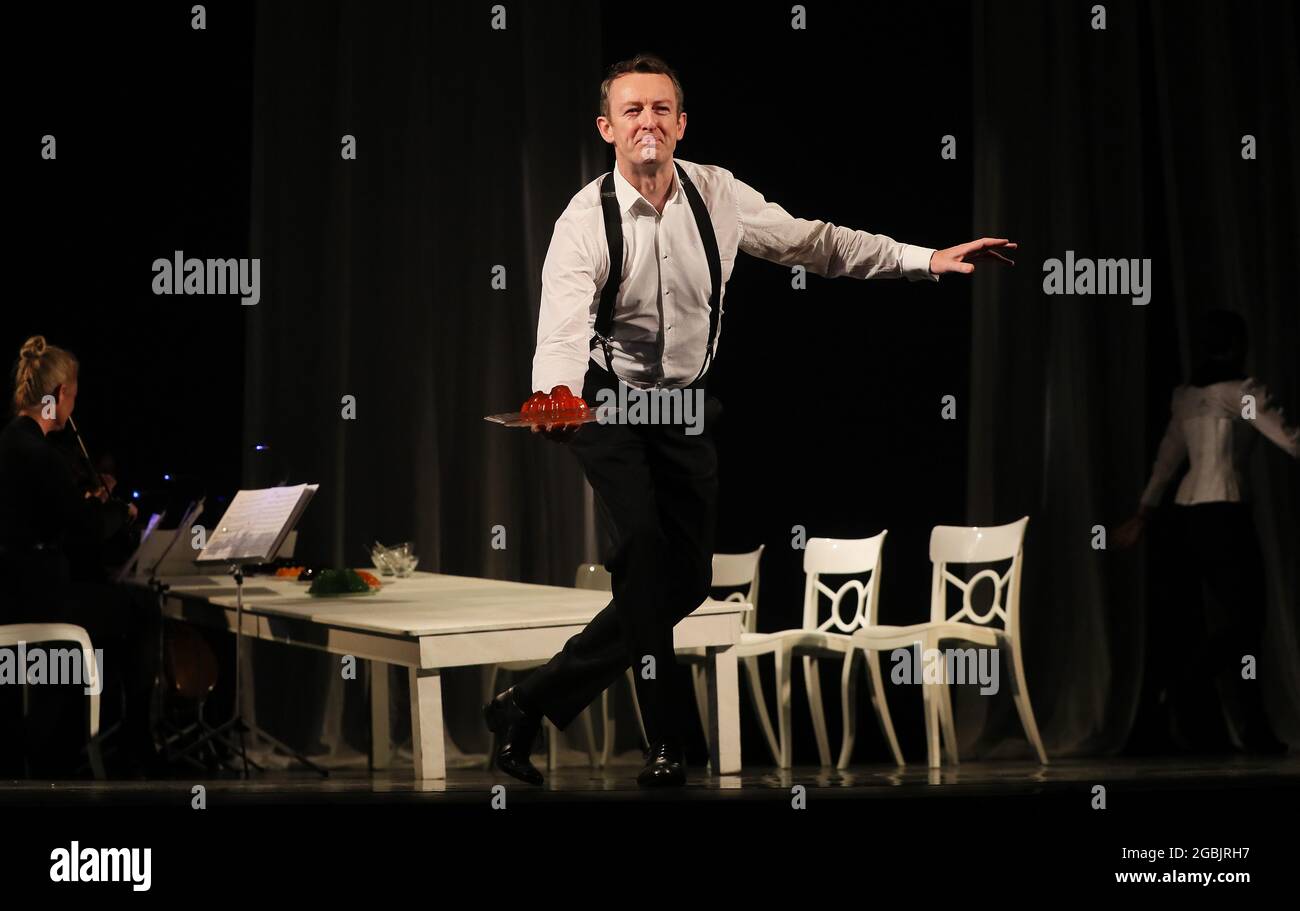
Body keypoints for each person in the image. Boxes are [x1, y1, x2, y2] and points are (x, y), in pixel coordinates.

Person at [484, 54, 1016, 786]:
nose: (650, 122)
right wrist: (558, 397)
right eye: (634, 110)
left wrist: (924, 259)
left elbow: (817, 242)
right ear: (607, 127)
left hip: (687, 401)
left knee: (686, 580)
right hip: (610, 397)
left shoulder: (717, 193)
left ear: (682, 123)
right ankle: (669, 741)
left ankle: (527, 700)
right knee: (642, 550)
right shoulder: (583, 221)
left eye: (663, 109)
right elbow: (563, 326)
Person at [1116, 310, 1298, 754]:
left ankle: (1245, 728)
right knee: (1244, 625)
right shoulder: (1243, 394)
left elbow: (1167, 460)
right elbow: (1290, 440)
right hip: (1223, 515)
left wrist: (1143, 513)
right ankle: (1193, 694)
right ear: (1238, 345)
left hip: (1186, 519)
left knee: (1222, 626)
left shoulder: (1187, 397)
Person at [0, 335, 164, 777]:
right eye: (72, 395)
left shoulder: (9, 443)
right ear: (56, 397)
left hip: (10, 589)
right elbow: (87, 531)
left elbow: (45, 515)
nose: (73, 405)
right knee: (142, 607)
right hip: (38, 597)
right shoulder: (42, 454)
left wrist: (85, 501)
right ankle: (135, 742)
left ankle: (69, 739)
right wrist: (118, 511)